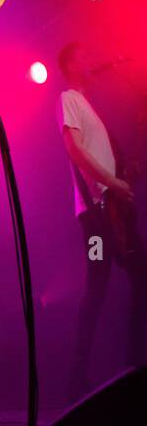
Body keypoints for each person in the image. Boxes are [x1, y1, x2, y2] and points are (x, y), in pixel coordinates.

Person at [57, 41, 147, 394]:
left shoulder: (90, 105)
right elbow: (74, 150)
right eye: (85, 56)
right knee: (100, 288)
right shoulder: (68, 99)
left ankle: (126, 363)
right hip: (95, 216)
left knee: (125, 281)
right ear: (70, 66)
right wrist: (113, 182)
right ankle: (92, 375)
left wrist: (125, 171)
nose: (93, 59)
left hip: (110, 212)